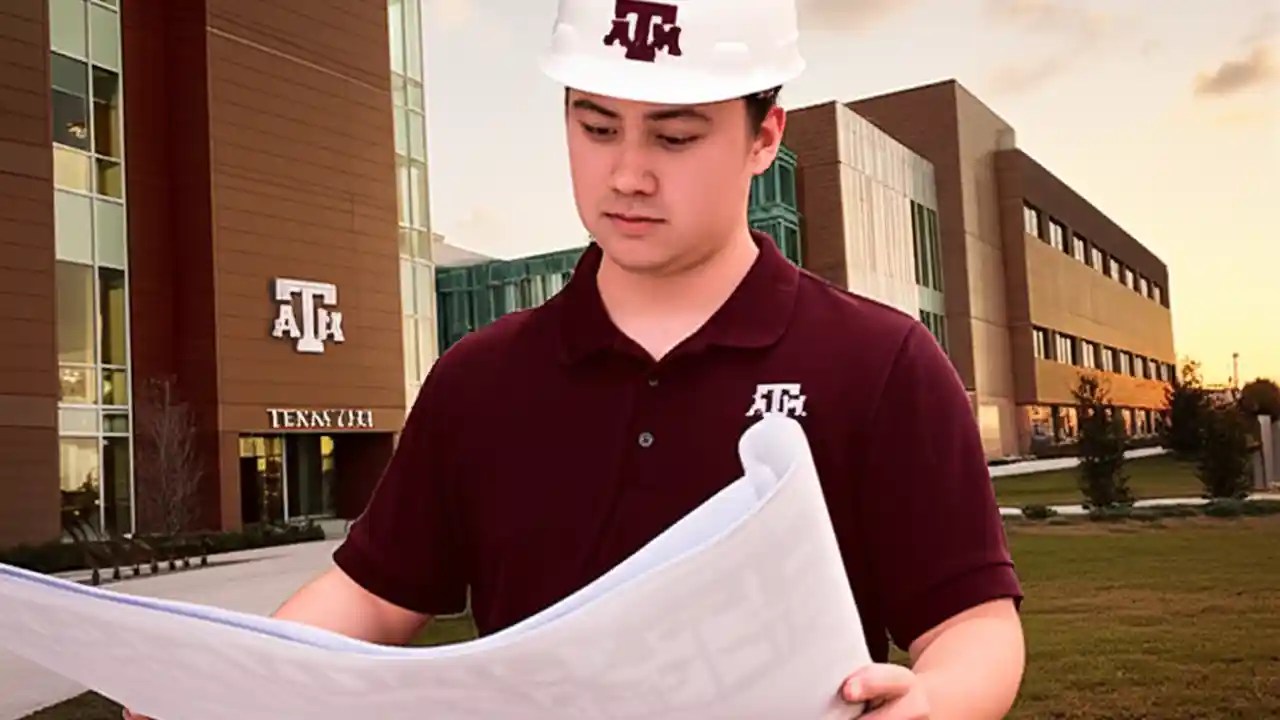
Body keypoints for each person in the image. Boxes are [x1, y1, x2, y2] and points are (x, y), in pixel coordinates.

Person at [127, 0, 1024, 717]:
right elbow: (369, 598)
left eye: (674, 138)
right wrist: (225, 685)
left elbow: (973, 622)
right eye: (597, 129)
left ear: (764, 136)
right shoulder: (482, 379)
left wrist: (937, 700)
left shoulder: (879, 362)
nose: (628, 174)